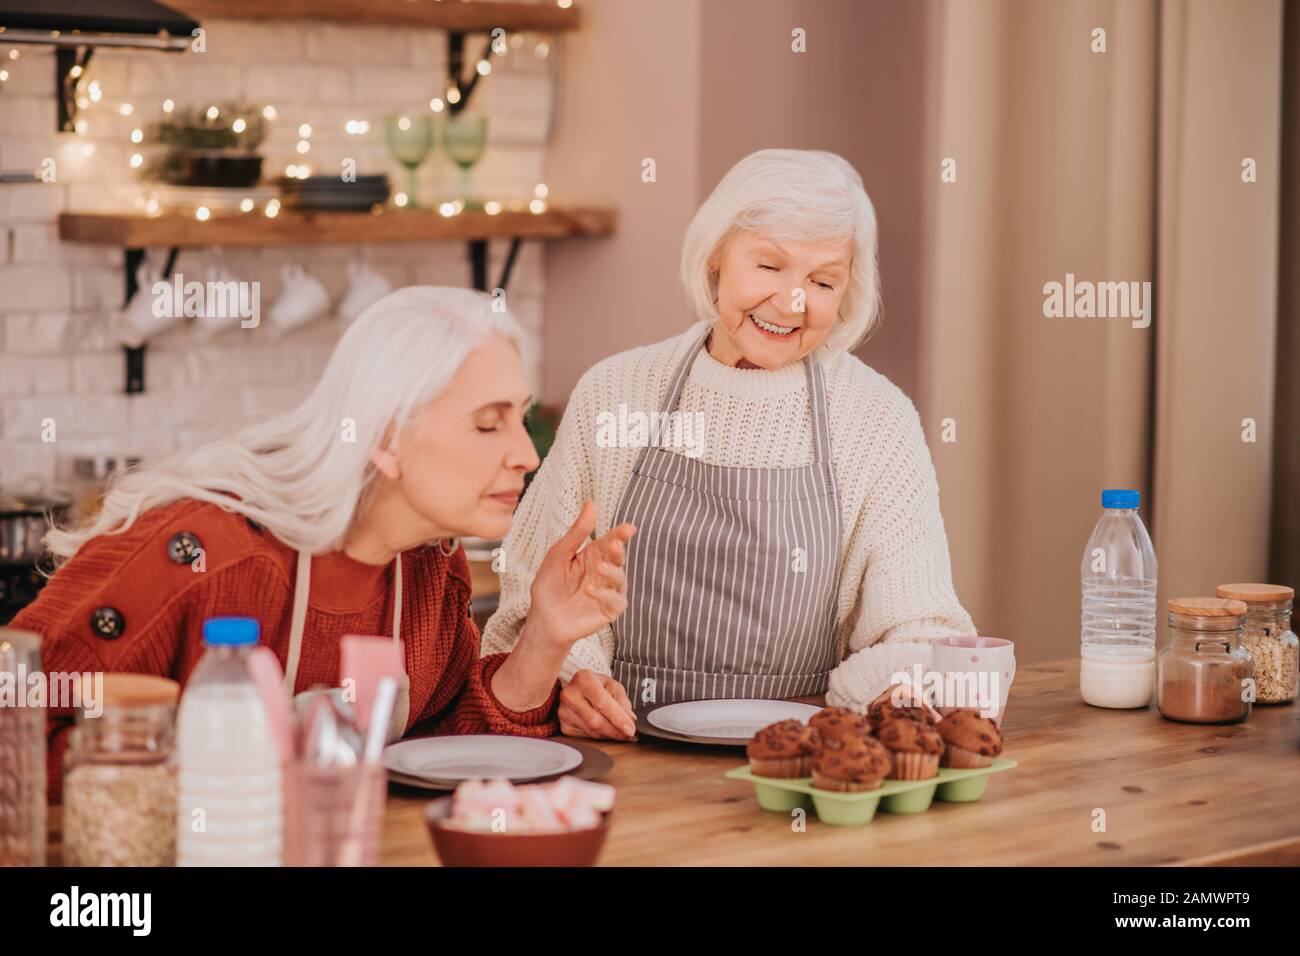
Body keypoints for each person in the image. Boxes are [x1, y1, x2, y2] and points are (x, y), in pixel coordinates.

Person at [17, 286, 634, 799]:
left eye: (520, 419)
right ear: (386, 440)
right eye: (486, 423)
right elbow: (15, 727)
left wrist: (546, 638)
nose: (526, 455)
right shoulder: (202, 552)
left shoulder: (428, 567)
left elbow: (444, 749)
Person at [482, 149, 975, 739]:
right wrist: (574, 679)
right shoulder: (615, 391)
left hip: (805, 761)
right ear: (717, 255)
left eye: (822, 281)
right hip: (627, 752)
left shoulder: (876, 417)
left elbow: (919, 624)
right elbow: (536, 587)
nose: (791, 301)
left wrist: (897, 687)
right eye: (768, 266)